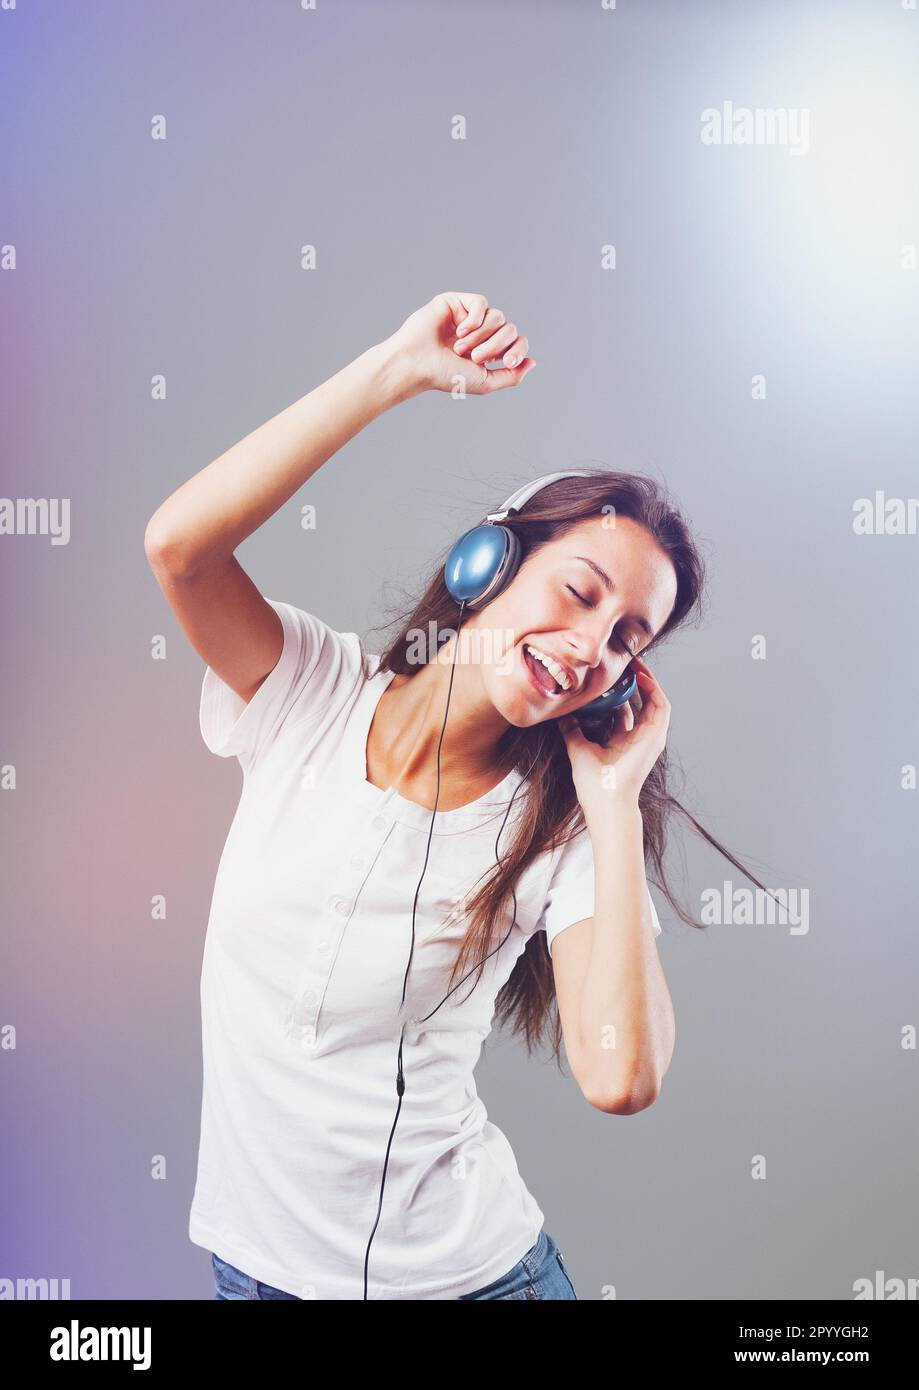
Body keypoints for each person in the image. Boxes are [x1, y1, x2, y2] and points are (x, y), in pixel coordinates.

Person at [145, 291, 767, 1301]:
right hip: (253, 1274)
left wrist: (612, 803)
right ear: (491, 558)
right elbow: (179, 547)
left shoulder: (561, 830)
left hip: (472, 1285)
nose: (587, 648)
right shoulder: (310, 689)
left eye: (625, 640)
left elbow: (618, 1077)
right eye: (579, 592)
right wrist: (397, 368)